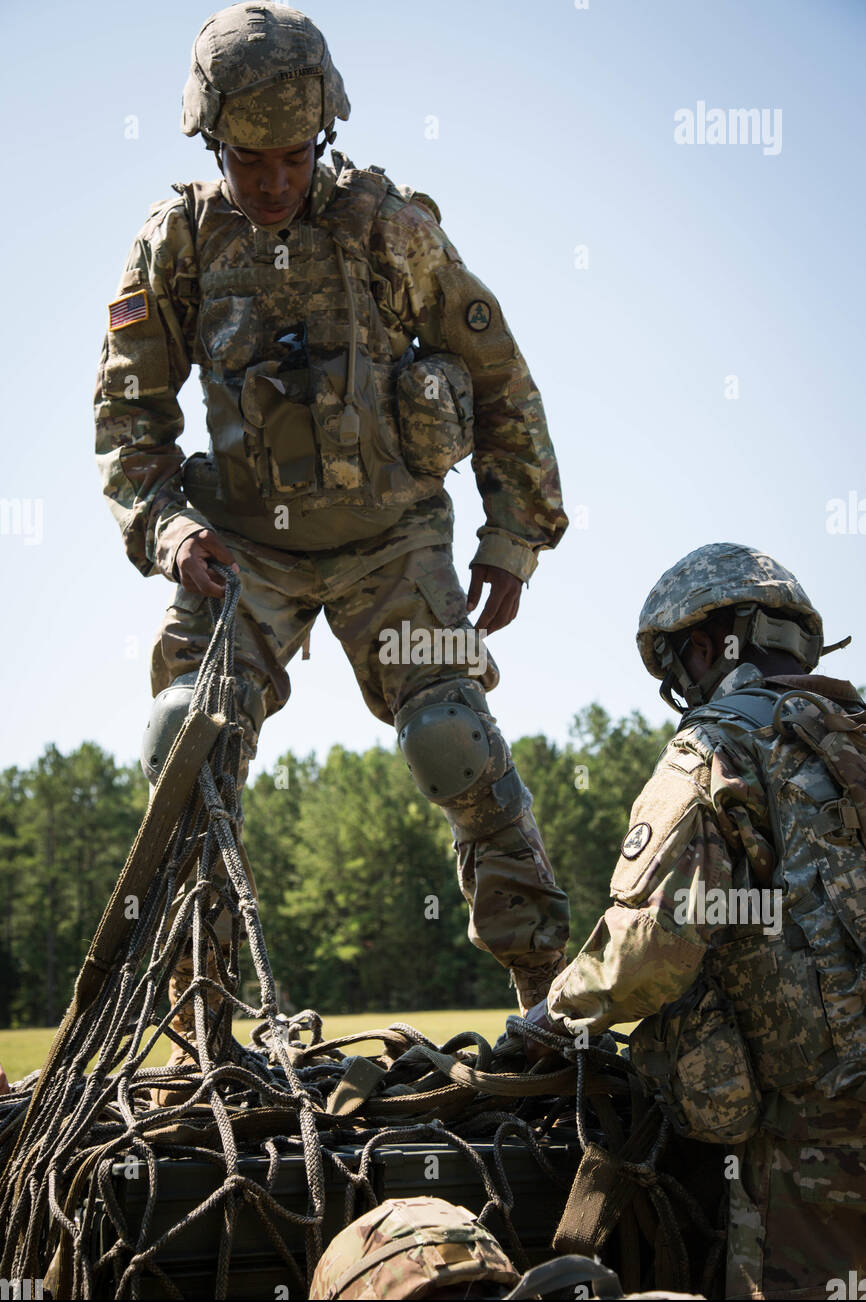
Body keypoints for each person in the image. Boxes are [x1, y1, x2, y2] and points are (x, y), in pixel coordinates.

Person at [94, 3, 571, 1076]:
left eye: (292, 155)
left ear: (326, 135)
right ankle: (201, 1024)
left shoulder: (385, 226)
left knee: (452, 738)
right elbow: (128, 417)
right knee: (187, 745)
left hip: (391, 541)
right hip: (239, 552)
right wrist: (164, 528)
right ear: (211, 142)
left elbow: (499, 375)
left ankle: (549, 1005)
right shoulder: (175, 243)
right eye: (247, 158)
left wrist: (512, 536)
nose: (271, 180)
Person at [525, 542, 866, 1300]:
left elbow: (652, 948)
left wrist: (555, 1013)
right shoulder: (852, 738)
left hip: (814, 1135)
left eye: (677, 666)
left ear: (707, 646)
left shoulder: (715, 746)